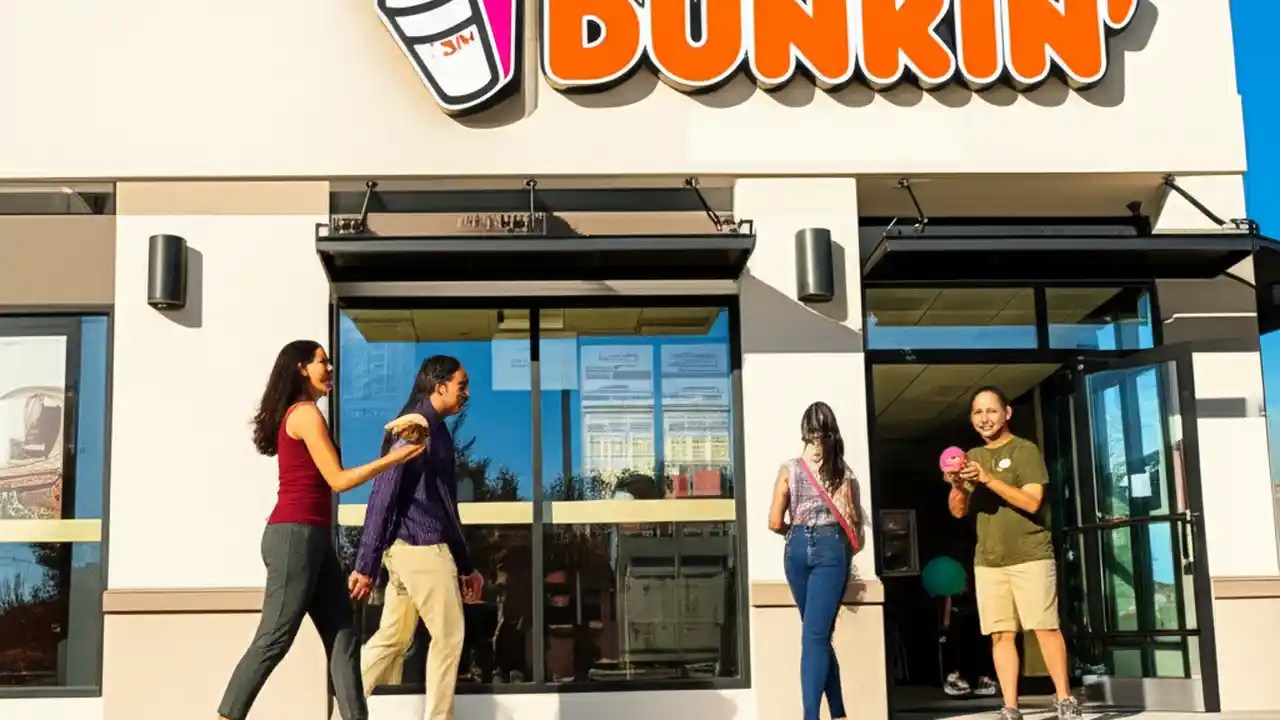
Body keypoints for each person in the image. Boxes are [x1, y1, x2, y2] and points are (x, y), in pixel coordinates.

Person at [217, 340, 426, 720]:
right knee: (275, 638)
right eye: (322, 362)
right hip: (294, 536)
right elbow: (339, 480)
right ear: (301, 368)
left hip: (314, 537)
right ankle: (226, 716)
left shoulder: (307, 414)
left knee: (343, 635)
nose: (330, 368)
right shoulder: (304, 414)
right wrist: (395, 458)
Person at [349, 355, 483, 720]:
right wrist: (365, 564)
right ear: (439, 386)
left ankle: (342, 705)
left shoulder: (434, 430)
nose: (467, 393)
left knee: (392, 638)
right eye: (461, 385)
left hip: (408, 551)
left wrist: (466, 566)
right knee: (449, 636)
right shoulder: (415, 427)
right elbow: (383, 493)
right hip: (422, 551)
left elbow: (444, 506)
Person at [945, 386, 1081, 720]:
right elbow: (958, 511)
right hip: (989, 560)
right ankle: (1010, 706)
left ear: (1006, 413)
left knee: (1045, 627)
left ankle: (1065, 699)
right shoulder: (971, 456)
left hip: (1031, 554)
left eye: (991, 410)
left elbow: (1032, 501)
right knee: (1001, 634)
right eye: (978, 412)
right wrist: (957, 485)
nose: (984, 418)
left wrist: (988, 479)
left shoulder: (1025, 450)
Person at [767, 401, 859, 720]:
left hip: (795, 549)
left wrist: (798, 534)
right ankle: (816, 716)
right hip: (831, 548)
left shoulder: (789, 469)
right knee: (817, 637)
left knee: (814, 635)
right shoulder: (844, 473)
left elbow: (774, 522)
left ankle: (837, 713)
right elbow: (855, 525)